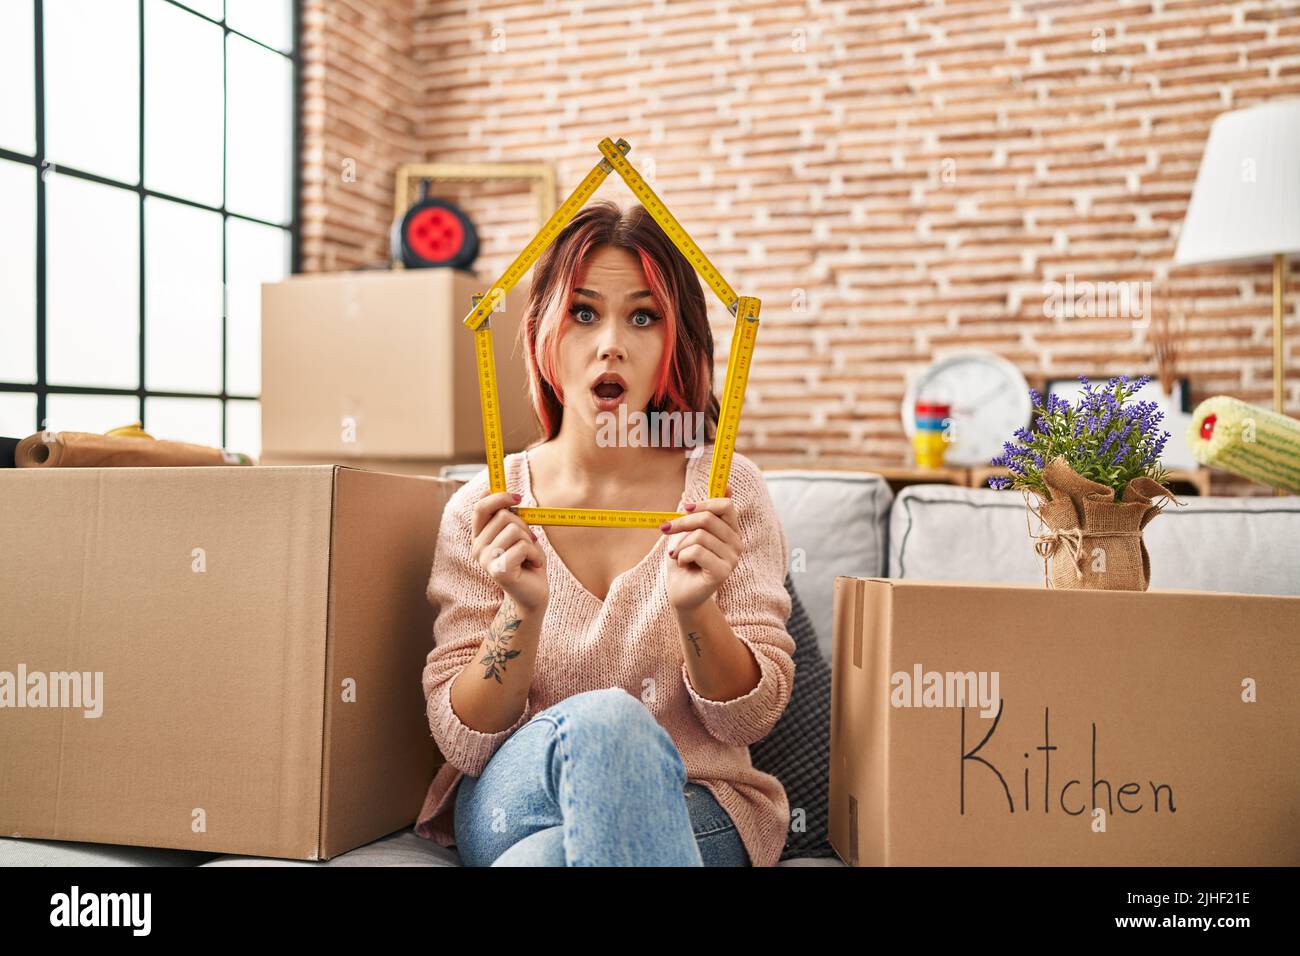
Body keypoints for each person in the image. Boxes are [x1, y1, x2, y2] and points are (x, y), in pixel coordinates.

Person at [413, 200, 795, 866]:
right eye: (583, 312)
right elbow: (466, 742)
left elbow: (746, 722)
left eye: (643, 316)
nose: (611, 341)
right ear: (542, 333)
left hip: (692, 801)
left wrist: (695, 606)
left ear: (674, 343)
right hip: (520, 794)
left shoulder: (726, 493)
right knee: (609, 717)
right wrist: (521, 612)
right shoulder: (487, 506)